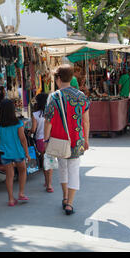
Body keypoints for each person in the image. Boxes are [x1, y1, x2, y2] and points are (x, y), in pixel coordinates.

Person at [44, 64, 90, 215]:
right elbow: (86, 121)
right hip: (77, 140)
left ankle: (64, 197)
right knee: (74, 170)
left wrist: (45, 139)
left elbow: (48, 121)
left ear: (58, 79)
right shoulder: (81, 96)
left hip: (59, 139)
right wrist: (86, 139)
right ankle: (70, 203)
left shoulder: (54, 96)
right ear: (71, 78)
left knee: (63, 168)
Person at [0, 99, 30, 206]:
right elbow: (23, 139)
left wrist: (1, 146)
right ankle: (21, 193)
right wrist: (27, 153)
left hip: (5, 153)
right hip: (18, 152)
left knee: (9, 175)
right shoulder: (18, 123)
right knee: (22, 171)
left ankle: (10, 199)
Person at [31, 92, 53, 193]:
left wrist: (30, 131)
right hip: (50, 139)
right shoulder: (51, 113)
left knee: (45, 161)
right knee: (50, 161)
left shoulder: (35, 114)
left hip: (40, 140)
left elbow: (33, 129)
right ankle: (49, 184)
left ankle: (46, 182)